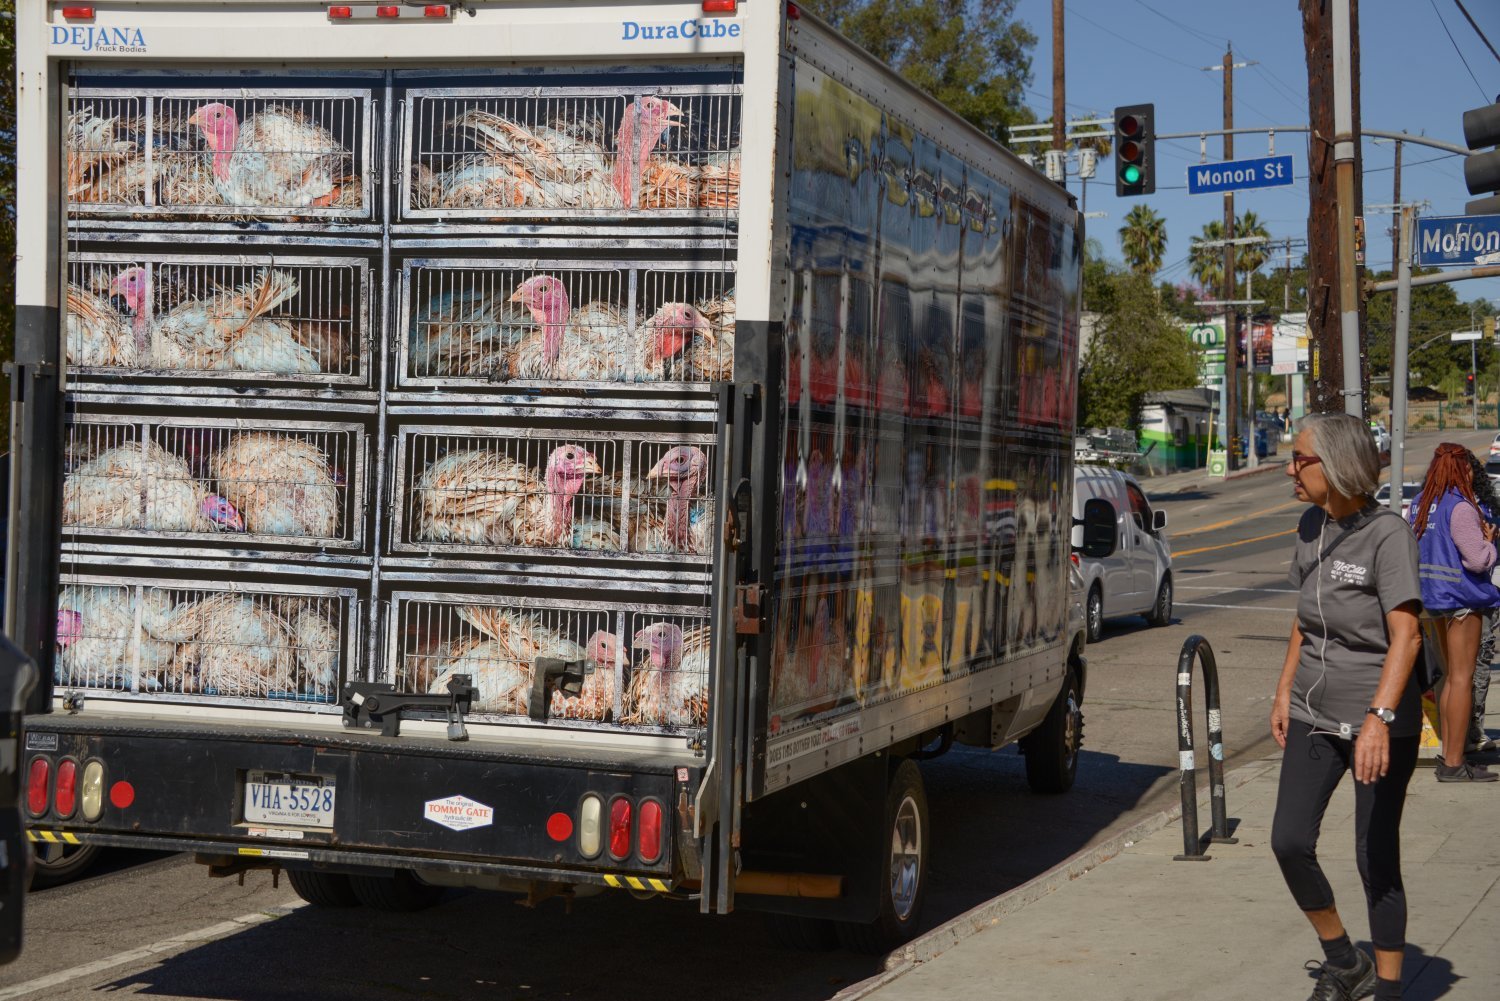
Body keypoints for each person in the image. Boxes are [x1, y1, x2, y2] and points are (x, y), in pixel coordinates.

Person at [1272, 412, 1422, 1001]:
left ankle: (1388, 989)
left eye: (1299, 460)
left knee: (1374, 856)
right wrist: (1284, 691)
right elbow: (1304, 619)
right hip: (1312, 712)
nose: (1290, 470)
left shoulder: (1388, 536)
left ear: (1334, 466)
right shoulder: (1311, 523)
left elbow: (1406, 635)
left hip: (1376, 721)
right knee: (1289, 841)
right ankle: (1344, 959)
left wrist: (1378, 721)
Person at [1410, 444, 1499, 781]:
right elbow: (1477, 560)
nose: (1473, 474)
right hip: (1462, 600)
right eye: (1470, 468)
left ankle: (1450, 753)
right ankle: (1454, 762)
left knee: (1449, 679)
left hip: (1431, 599)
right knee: (1462, 679)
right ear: (1462, 470)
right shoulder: (1460, 507)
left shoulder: (1421, 503)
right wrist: (1490, 543)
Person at [1464, 453, 1498, 754]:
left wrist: (1489, 542)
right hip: (1461, 595)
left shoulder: (1485, 508)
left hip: (1485, 592)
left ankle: (1474, 729)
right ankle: (1466, 731)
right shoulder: (1453, 506)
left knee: (1479, 662)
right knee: (1465, 667)